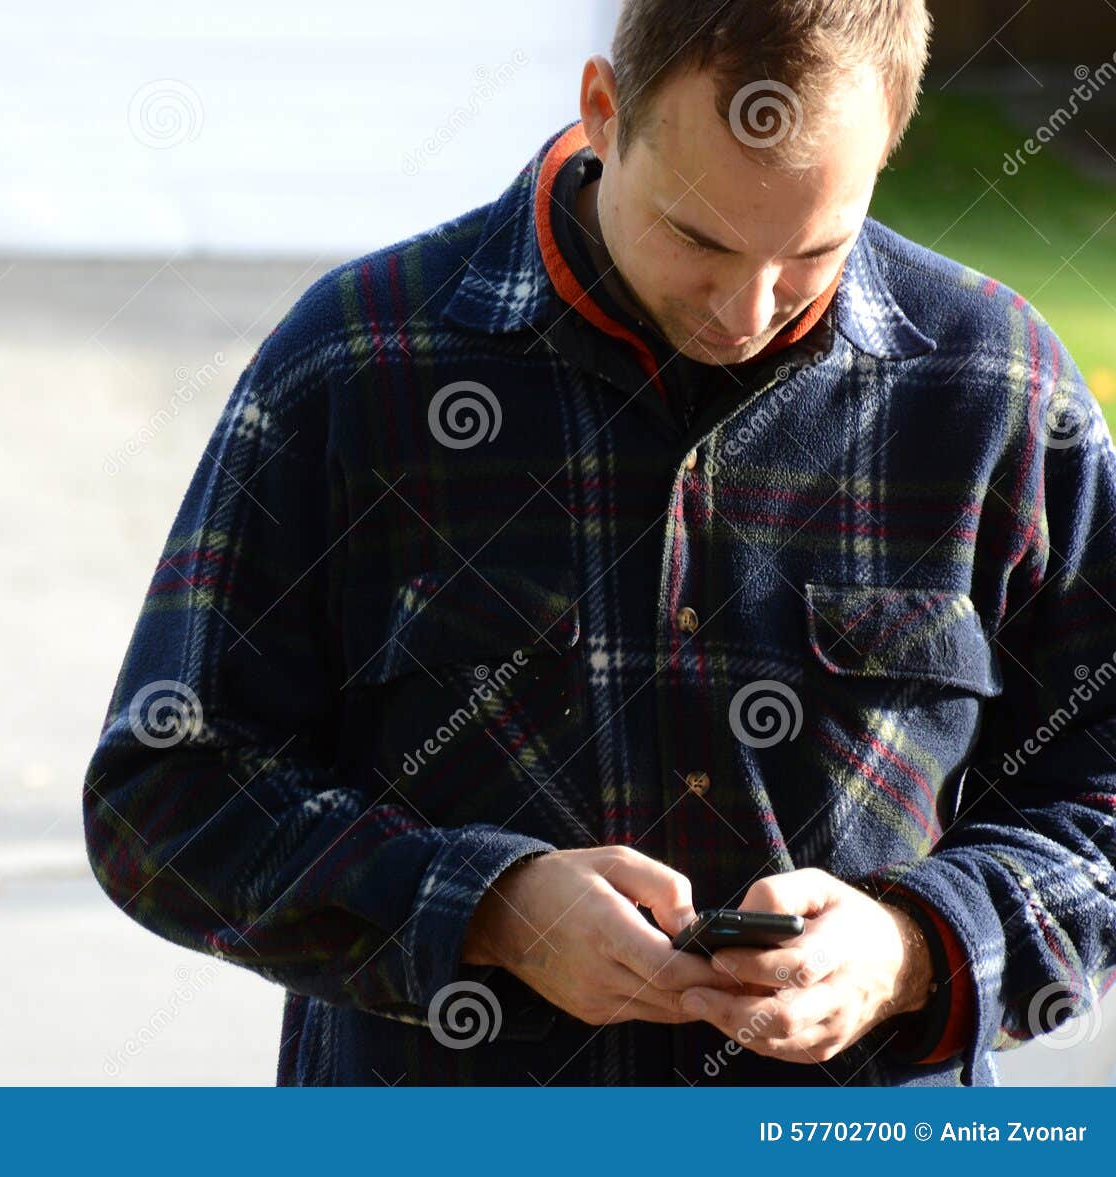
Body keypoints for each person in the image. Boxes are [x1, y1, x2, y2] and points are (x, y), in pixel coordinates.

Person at [83, 0, 1116, 1085]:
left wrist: (912, 948)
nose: (746, 308)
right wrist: (481, 907)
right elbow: (165, 796)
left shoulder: (995, 387)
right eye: (698, 237)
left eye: (813, 248)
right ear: (600, 111)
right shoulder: (356, 361)